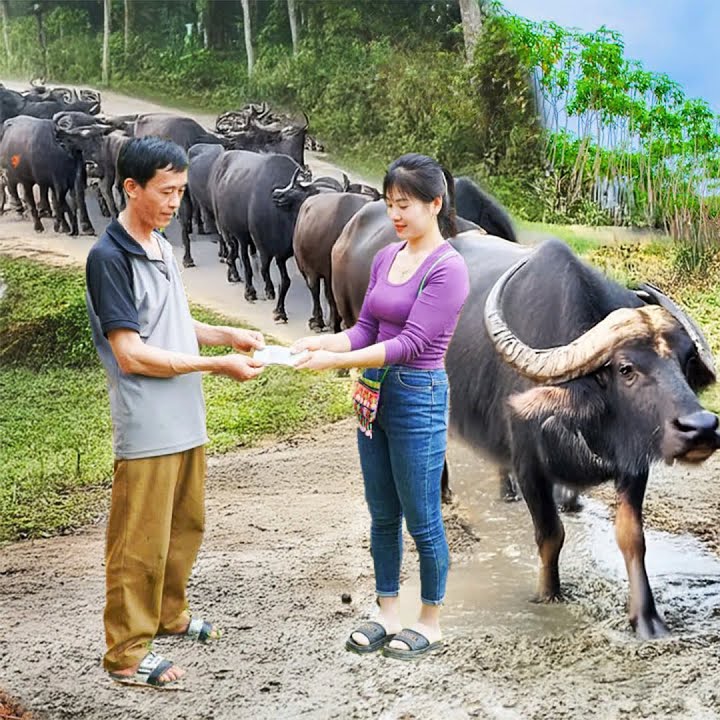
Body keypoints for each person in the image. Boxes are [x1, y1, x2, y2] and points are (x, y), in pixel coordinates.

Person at [86, 136, 266, 689]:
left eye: (181, 192)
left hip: (185, 415)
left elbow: (174, 323)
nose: (174, 203)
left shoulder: (162, 246)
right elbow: (131, 352)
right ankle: (125, 653)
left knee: (184, 527)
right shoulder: (110, 258)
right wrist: (215, 368)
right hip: (147, 422)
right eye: (165, 192)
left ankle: (168, 613)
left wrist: (227, 334)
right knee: (139, 540)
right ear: (131, 187)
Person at [291, 154, 470, 660]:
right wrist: (322, 345)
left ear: (435, 204)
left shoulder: (448, 268)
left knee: (423, 516)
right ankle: (386, 613)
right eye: (390, 204)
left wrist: (330, 363)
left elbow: (411, 343)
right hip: (372, 393)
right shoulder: (386, 259)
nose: (396, 215)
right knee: (381, 514)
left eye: (406, 205)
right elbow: (365, 330)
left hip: (418, 395)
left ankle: (430, 621)